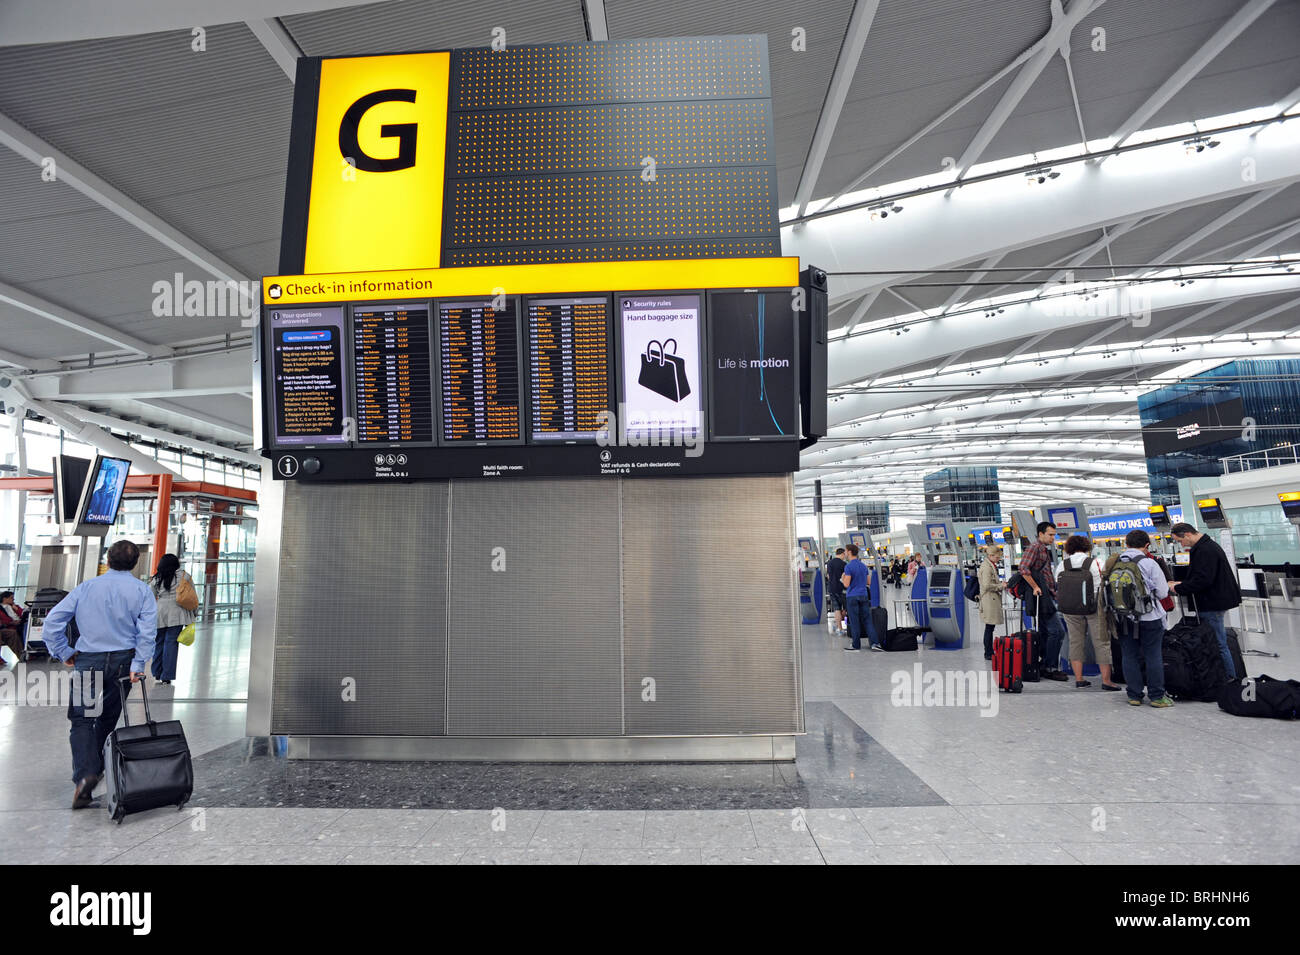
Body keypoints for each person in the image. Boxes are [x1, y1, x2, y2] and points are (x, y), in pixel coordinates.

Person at [41, 540, 157, 809]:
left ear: (108, 560)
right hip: (123, 662)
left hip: (88, 660)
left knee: (82, 719)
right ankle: (94, 768)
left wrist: (63, 650)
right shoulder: (142, 591)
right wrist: (138, 664)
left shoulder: (87, 587)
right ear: (135, 562)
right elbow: (147, 632)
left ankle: (85, 774)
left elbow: (52, 622)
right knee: (107, 717)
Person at [1168, 522, 1242, 677]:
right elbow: (1204, 575)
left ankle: (1230, 681)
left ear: (1187, 534)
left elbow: (1203, 579)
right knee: (1216, 642)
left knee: (1217, 644)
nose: (1181, 545)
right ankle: (1226, 678)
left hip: (1211, 603)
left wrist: (1179, 588)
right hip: (1214, 600)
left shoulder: (1205, 550)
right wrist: (1182, 583)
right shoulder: (1207, 546)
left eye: (1180, 541)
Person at [1112, 529, 1173, 707]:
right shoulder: (1149, 563)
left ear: (1127, 544)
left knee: (1129, 655)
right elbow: (1162, 592)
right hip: (1149, 616)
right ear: (1146, 545)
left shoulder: (1115, 562)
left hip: (1123, 617)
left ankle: (1134, 695)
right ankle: (1156, 696)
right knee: (1153, 655)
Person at [1057, 535, 1119, 691]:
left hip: (1070, 608)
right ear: (1087, 547)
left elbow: (1058, 583)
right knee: (1101, 641)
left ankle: (1079, 679)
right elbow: (1103, 583)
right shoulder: (1095, 563)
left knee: (1075, 641)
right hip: (1094, 606)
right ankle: (1106, 681)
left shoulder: (1061, 565)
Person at [1019, 521, 1070, 681]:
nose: (1053, 537)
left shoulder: (1044, 550)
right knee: (1057, 631)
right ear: (1041, 534)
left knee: (1046, 632)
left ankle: (1043, 664)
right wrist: (1035, 587)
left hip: (1047, 596)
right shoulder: (1034, 547)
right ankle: (1050, 667)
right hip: (1041, 598)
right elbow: (1023, 568)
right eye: (1050, 534)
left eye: (1054, 534)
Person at [150, 553, 195, 685]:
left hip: (160, 612)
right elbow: (192, 596)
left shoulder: (156, 578)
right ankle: (167, 675)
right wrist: (193, 614)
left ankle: (157, 672)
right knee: (171, 643)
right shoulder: (184, 576)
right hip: (177, 613)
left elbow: (150, 596)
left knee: (159, 642)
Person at [840, 543, 881, 652]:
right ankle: (875, 643)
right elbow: (868, 582)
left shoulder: (848, 566)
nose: (844, 553)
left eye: (845, 550)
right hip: (863, 595)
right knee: (867, 621)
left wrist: (843, 578)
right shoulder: (863, 566)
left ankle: (856, 645)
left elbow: (846, 584)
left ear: (849, 552)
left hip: (852, 597)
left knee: (854, 621)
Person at [978, 545, 1005, 660]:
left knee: (990, 627)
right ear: (990, 556)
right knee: (989, 627)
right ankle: (988, 653)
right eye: (997, 557)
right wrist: (1001, 586)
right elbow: (986, 585)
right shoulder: (987, 567)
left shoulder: (990, 565)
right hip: (989, 599)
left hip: (991, 599)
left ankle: (989, 651)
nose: (998, 559)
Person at [825, 547, 847, 634]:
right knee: (845, 608)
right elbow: (846, 577)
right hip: (842, 588)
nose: (845, 556)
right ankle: (840, 626)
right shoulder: (844, 564)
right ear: (842, 554)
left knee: (837, 608)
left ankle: (839, 628)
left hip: (832, 588)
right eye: (844, 554)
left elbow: (828, 576)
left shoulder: (830, 563)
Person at [0, 590, 25, 667]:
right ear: (5, 599)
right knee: (12, 633)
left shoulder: (15, 606)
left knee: (25, 630)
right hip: (7, 626)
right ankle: (22, 654)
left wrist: (16, 609)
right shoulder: (0, 609)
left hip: (19, 624)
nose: (13, 600)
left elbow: (23, 614)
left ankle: (24, 655)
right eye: (11, 598)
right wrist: (11, 623)